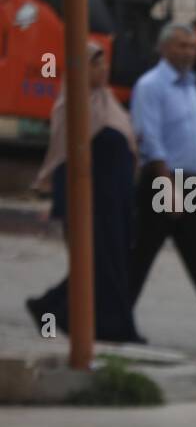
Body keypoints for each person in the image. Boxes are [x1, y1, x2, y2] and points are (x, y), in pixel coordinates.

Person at [26, 41, 142, 344]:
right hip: (89, 203)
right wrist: (65, 207)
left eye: (103, 64)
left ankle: (50, 308)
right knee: (98, 264)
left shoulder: (108, 103)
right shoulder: (71, 106)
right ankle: (107, 327)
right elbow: (64, 161)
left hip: (115, 201)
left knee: (106, 263)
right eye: (95, 64)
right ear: (79, 68)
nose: (102, 70)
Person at [127, 23, 196, 352]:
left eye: (192, 47)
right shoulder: (151, 86)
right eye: (181, 46)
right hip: (162, 181)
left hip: (194, 183)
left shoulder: (191, 86)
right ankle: (115, 319)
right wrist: (167, 187)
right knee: (138, 257)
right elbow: (149, 138)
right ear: (164, 48)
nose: (187, 52)